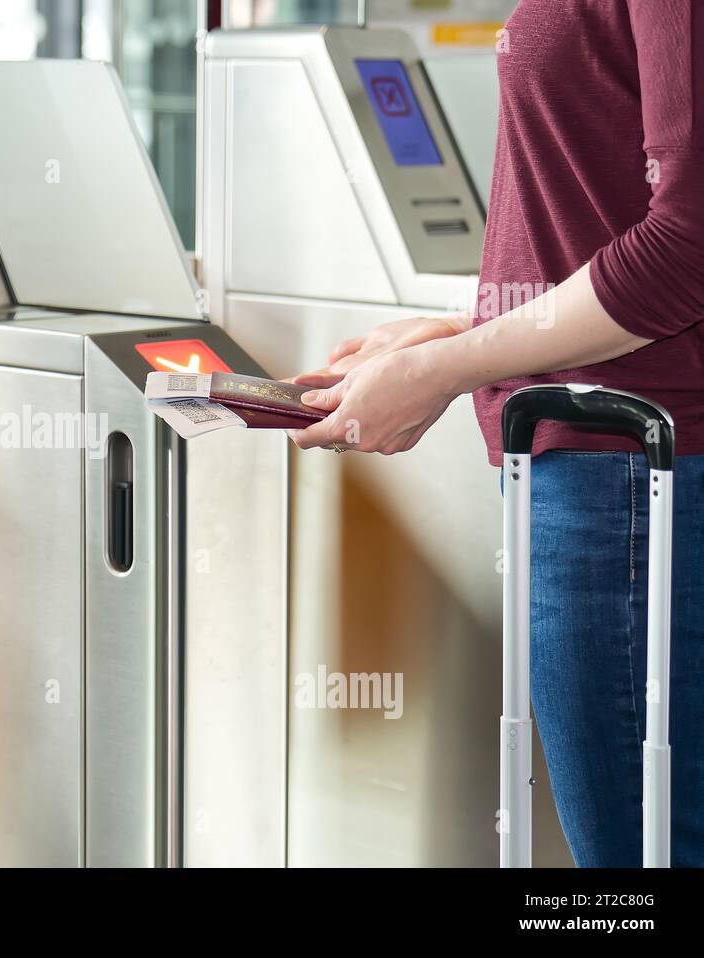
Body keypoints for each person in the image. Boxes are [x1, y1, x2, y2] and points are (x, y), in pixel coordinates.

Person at [289, 0, 704, 867]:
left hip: (637, 477)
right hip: (605, 472)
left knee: (637, 865)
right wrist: (459, 331)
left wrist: (449, 370)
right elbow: (594, 218)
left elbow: (687, 248)